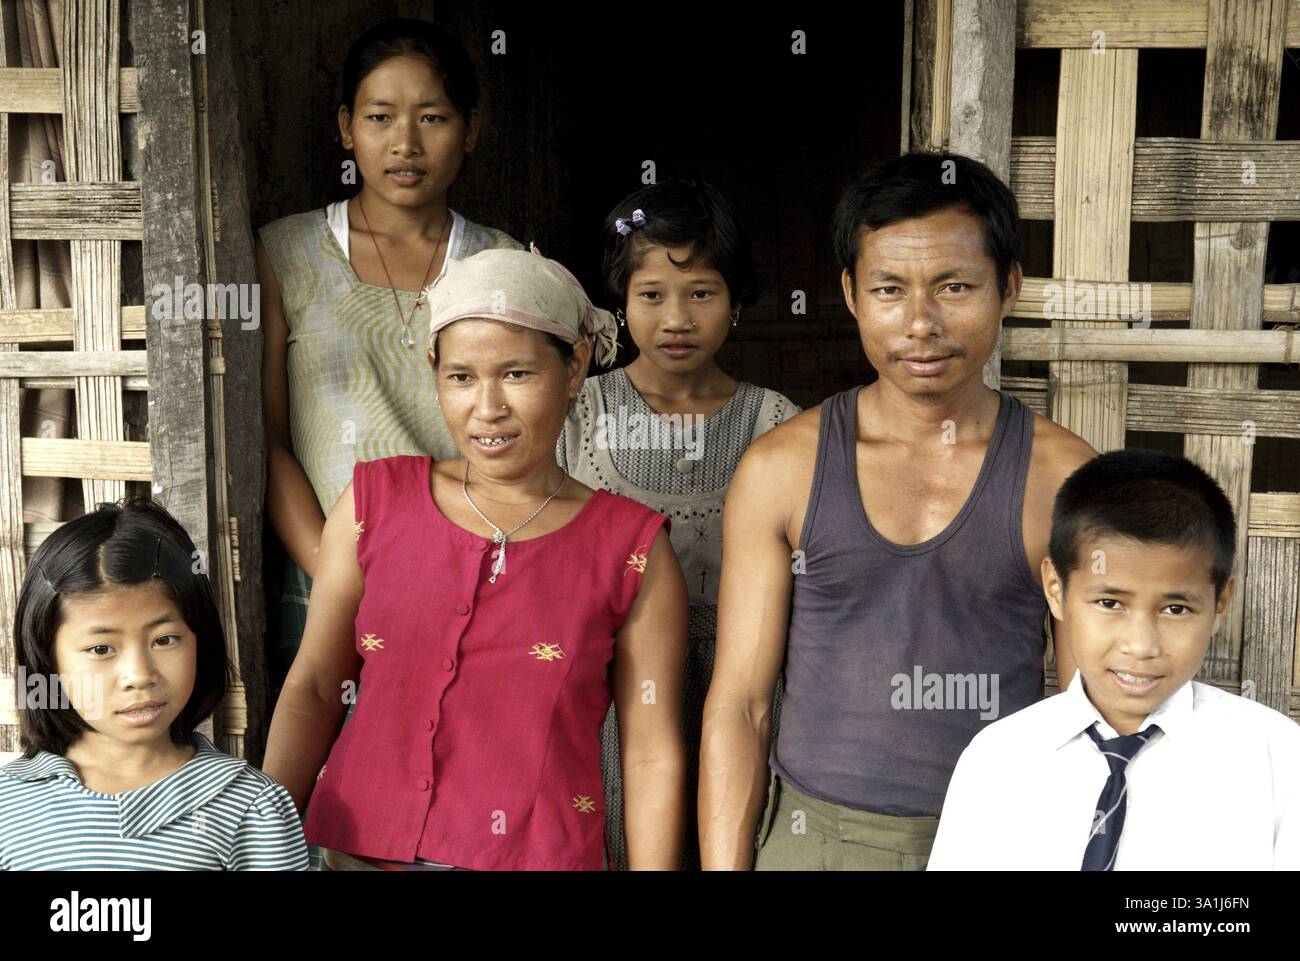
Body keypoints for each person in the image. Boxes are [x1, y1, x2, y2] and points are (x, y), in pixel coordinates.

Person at [699, 151, 1098, 870]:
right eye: (890, 288)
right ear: (851, 293)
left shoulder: (1063, 478)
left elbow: (1083, 717)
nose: (921, 322)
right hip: (812, 843)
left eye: (954, 286)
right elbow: (741, 706)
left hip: (996, 839)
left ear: (1007, 288)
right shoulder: (780, 468)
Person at [263, 248, 687, 871]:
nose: (487, 408)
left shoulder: (631, 548)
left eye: (517, 374)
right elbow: (317, 686)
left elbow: (651, 753)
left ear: (573, 369)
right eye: (461, 377)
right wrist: (263, 840)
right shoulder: (376, 500)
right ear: (434, 370)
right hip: (356, 853)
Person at [258, 17, 523, 693]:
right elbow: (270, 437)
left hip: (476, 577)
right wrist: (334, 574)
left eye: (432, 117)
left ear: (471, 129)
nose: (405, 143)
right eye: (380, 117)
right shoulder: (286, 253)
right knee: (338, 783)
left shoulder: (503, 263)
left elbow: (529, 438)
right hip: (321, 580)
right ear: (347, 127)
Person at [558, 180, 798, 869]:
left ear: (737, 302)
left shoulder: (773, 421)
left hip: (746, 688)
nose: (677, 317)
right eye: (652, 294)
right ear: (620, 303)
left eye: (702, 292)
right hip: (608, 691)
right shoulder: (579, 411)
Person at [928, 449, 1300, 869]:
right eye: (1109, 602)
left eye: (1176, 609)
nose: (1141, 646)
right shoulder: (997, 761)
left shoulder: (1279, 760)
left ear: (1219, 604)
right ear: (1056, 589)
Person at [0, 499, 308, 870]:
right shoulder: (9, 801)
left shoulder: (251, 804)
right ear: (48, 661)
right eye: (101, 648)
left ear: (201, 639)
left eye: (164, 640)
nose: (139, 675)